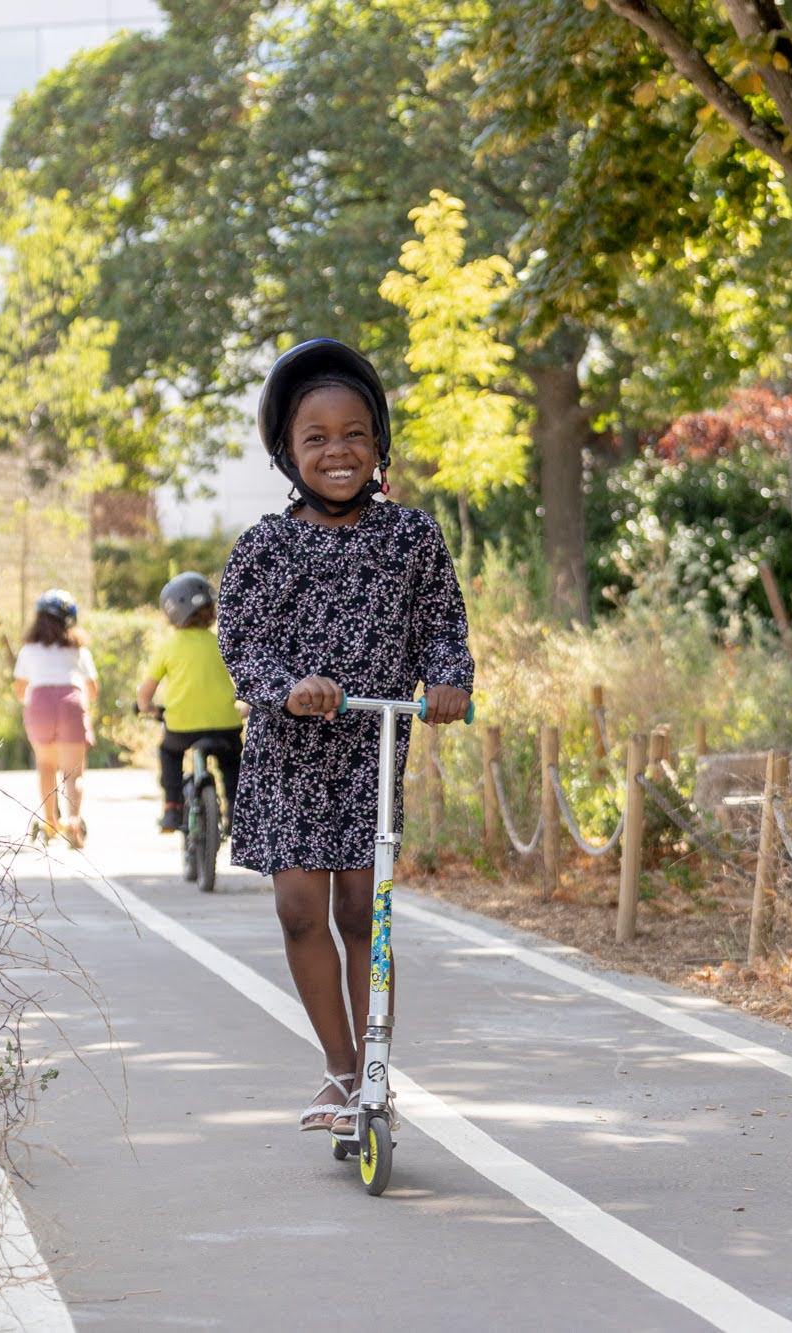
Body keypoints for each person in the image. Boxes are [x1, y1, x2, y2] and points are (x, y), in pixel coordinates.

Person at [218, 338, 473, 1136]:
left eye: (354, 433)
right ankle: (337, 1064)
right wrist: (289, 687)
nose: (338, 450)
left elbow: (442, 625)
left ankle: (374, 1067)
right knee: (302, 908)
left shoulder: (411, 538)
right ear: (290, 453)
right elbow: (241, 643)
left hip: (371, 749)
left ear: (378, 444)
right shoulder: (264, 547)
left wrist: (448, 679)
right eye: (316, 437)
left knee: (365, 908)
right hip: (289, 755)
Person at [136, 572, 243, 833]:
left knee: (169, 753)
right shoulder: (222, 643)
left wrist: (145, 707)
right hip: (225, 724)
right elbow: (244, 681)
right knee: (231, 761)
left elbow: (146, 693)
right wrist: (246, 707)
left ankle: (172, 808)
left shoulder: (168, 646)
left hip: (181, 726)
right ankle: (236, 812)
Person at [13, 589, 98, 847]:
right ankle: (73, 820)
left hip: (39, 704)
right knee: (74, 774)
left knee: (46, 767)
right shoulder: (79, 651)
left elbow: (20, 691)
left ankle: (50, 823)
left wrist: (35, 704)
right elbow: (92, 689)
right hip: (71, 702)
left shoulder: (28, 650)